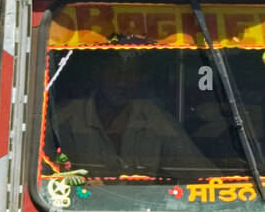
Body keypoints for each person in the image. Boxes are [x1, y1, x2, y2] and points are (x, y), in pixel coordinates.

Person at [52, 52, 207, 178]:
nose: (122, 82)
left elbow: (203, 175)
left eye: (131, 73)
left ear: (140, 77)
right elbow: (45, 177)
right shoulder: (66, 118)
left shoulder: (155, 118)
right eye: (114, 71)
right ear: (97, 73)